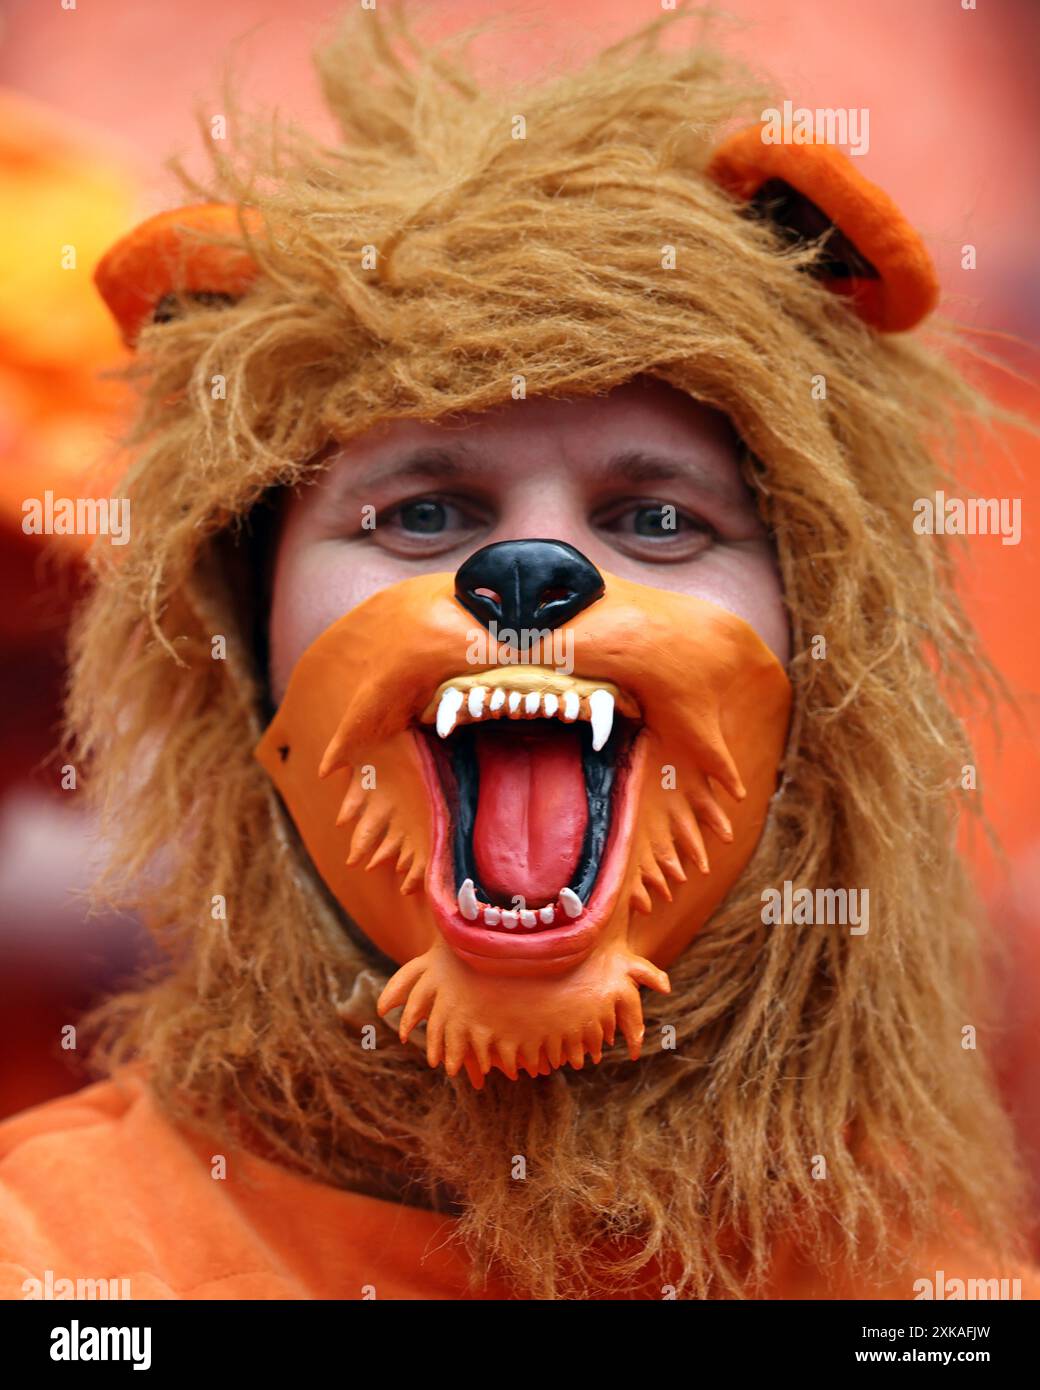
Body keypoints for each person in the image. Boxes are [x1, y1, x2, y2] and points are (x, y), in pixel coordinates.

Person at [1, 8, 1035, 1300]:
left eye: (657, 519)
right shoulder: (62, 1269)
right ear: (249, 673)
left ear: (810, 691)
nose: (532, 572)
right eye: (421, 513)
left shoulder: (927, 1294)